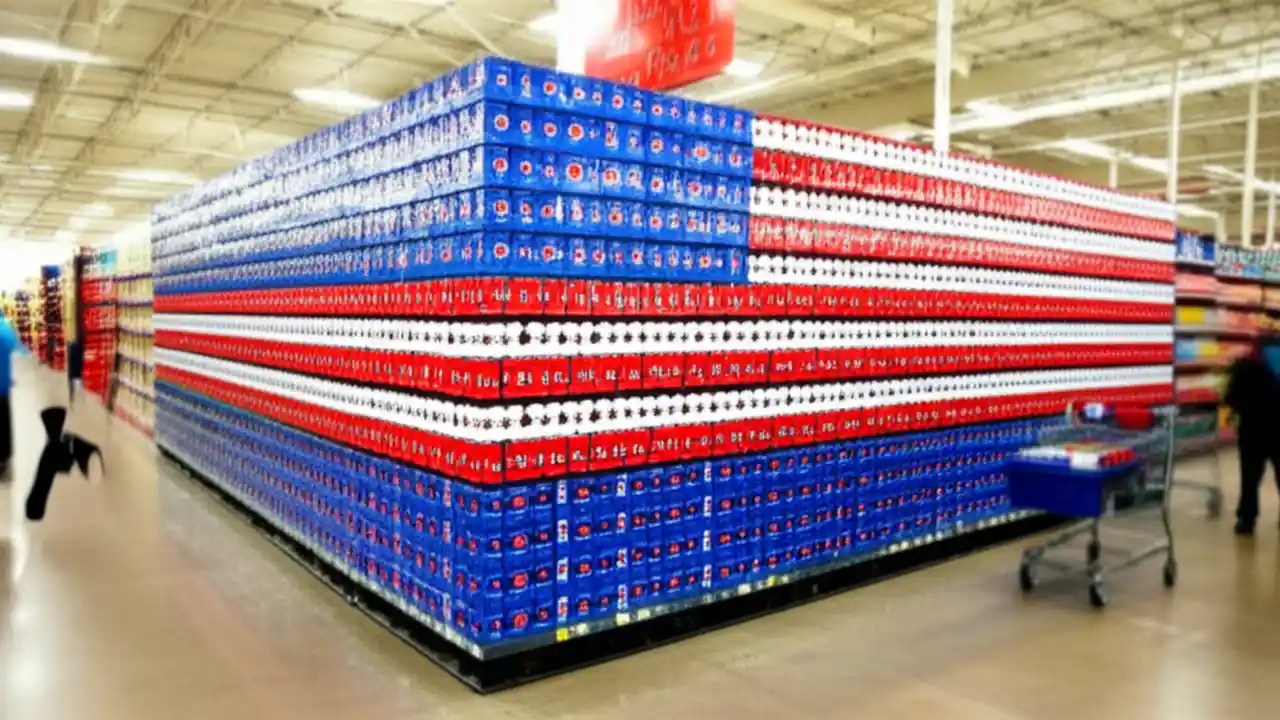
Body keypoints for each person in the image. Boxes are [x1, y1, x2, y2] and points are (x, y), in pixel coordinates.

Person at [1223, 338, 1280, 535]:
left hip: (1252, 430)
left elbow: (1229, 398)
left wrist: (1241, 409)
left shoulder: (1243, 365)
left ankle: (1246, 519)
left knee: (1250, 478)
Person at [0, 316, 25, 475]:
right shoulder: (5, 331)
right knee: (3, 422)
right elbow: (20, 349)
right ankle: (3, 457)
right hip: (3, 387)